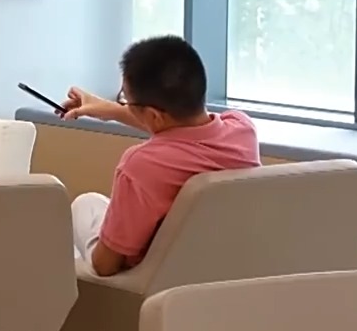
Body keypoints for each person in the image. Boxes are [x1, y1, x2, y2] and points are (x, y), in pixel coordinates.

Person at [61, 35, 261, 277]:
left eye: (126, 100)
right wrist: (109, 110)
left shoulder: (140, 165)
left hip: (147, 281)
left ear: (154, 116)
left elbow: (105, 266)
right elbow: (181, 132)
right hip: (223, 268)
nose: (124, 104)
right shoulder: (242, 130)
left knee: (86, 204)